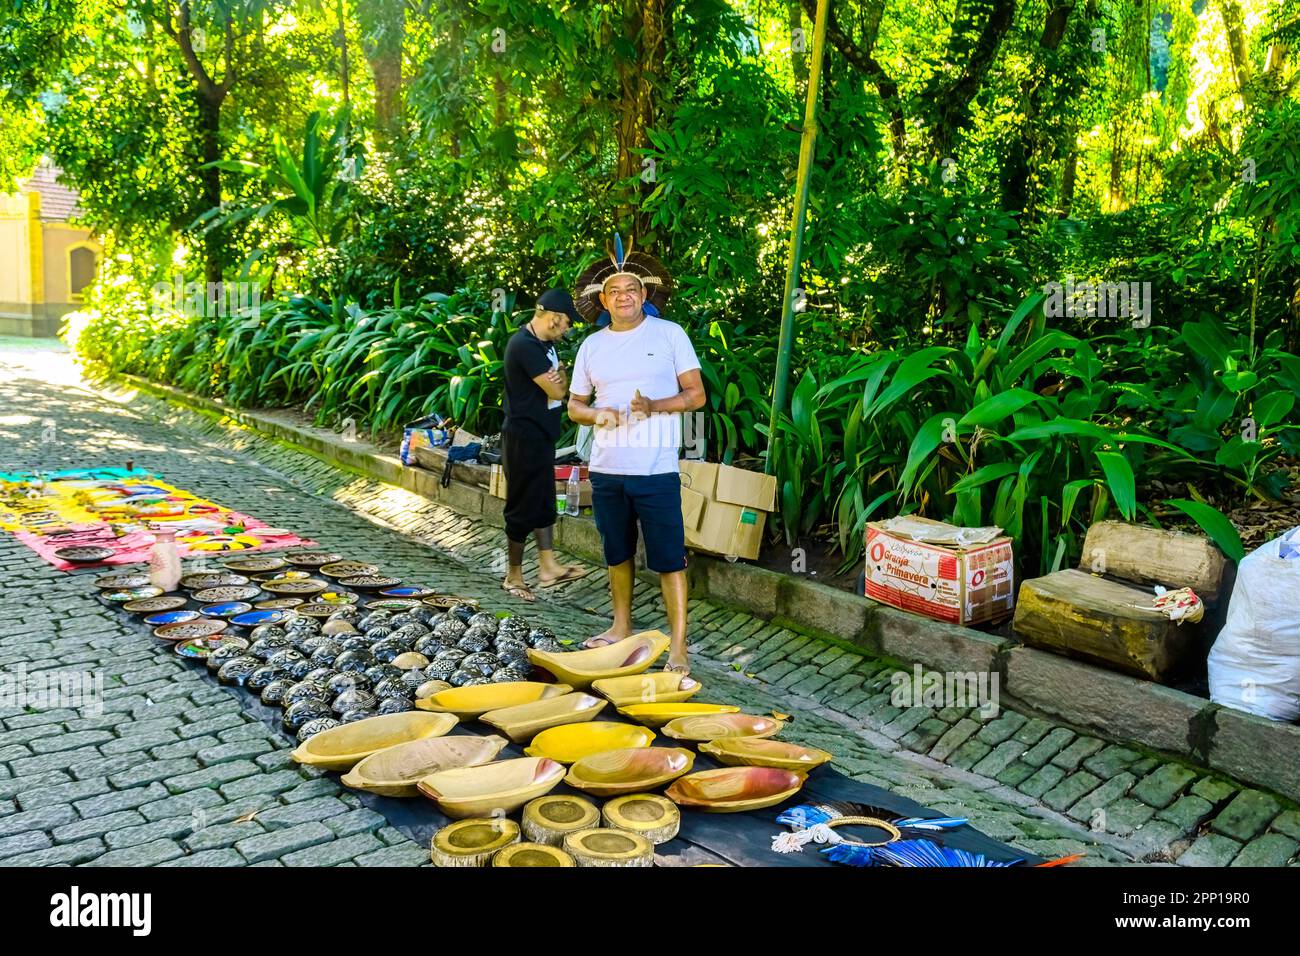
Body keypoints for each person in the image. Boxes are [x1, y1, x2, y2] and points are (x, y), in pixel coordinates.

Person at [568, 237, 706, 674]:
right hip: (607, 470)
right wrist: (596, 414)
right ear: (603, 300)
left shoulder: (669, 335)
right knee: (616, 553)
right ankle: (620, 627)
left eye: (631, 289)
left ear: (644, 296)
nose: (623, 296)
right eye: (614, 291)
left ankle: (679, 646)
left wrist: (656, 407)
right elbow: (574, 406)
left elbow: (696, 395)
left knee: (668, 558)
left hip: (655, 469)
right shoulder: (592, 346)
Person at [500, 288, 587, 601]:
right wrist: (559, 382)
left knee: (544, 501)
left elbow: (559, 381)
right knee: (522, 505)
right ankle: (513, 576)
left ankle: (547, 567)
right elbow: (557, 392)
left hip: (541, 436)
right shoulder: (524, 346)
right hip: (523, 436)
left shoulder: (545, 345)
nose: (567, 329)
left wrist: (559, 376)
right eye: (565, 323)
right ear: (552, 317)